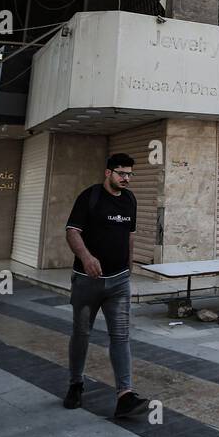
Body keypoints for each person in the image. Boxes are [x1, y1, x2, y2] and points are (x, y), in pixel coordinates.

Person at [63, 152, 150, 418]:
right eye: (122, 173)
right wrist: (86, 257)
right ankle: (76, 384)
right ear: (108, 173)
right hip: (88, 283)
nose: (126, 178)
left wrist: (129, 266)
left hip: (119, 282)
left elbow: (130, 236)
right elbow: (72, 232)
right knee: (81, 334)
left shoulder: (130, 200)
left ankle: (125, 395)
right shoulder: (90, 197)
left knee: (121, 336)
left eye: (130, 174)